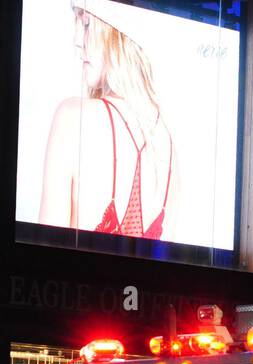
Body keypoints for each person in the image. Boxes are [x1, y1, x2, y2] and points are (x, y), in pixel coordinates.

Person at [39, 0, 179, 239]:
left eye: (85, 25)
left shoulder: (72, 117)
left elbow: (44, 251)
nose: (76, 41)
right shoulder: (167, 142)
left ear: (116, 34)